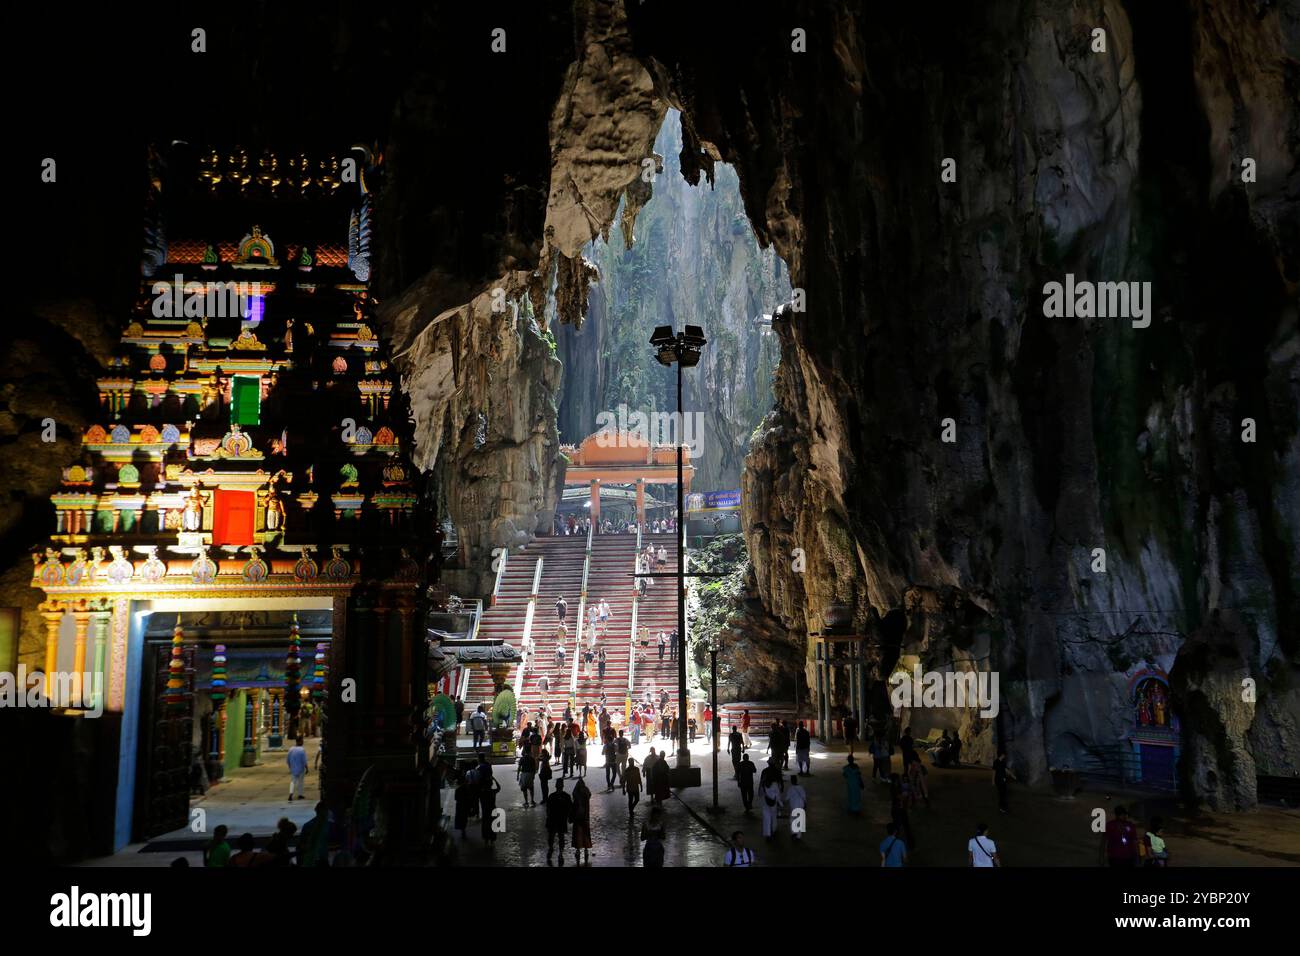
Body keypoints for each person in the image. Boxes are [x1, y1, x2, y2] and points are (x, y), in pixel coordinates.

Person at [545, 779, 574, 865]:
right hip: (562, 819)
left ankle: (551, 848)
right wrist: (570, 818)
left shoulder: (551, 796)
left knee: (551, 836)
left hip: (552, 819)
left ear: (555, 786)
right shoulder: (566, 796)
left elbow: (548, 809)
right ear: (563, 786)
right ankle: (560, 852)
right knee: (561, 836)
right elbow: (570, 808)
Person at [298, 802, 332, 867]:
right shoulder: (328, 826)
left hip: (314, 858)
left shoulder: (308, 825)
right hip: (318, 858)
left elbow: (301, 845)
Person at [570, 777, 593, 864]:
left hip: (577, 818)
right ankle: (586, 849)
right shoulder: (586, 793)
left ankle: (578, 850)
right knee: (586, 833)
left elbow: (573, 801)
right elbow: (589, 794)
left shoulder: (576, 793)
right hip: (585, 817)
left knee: (577, 834)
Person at [761, 775, 784, 841]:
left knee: (766, 819)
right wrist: (780, 804)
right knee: (773, 817)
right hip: (773, 803)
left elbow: (760, 793)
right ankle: (773, 829)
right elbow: (778, 795)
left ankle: (767, 834)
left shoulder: (763, 784)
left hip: (765, 803)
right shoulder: (775, 784)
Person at [454, 773, 476, 838]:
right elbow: (470, 797)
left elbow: (456, 798)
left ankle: (462, 830)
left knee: (460, 818)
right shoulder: (467, 789)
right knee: (464, 818)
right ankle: (463, 829)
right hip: (466, 805)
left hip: (460, 805)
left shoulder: (458, 789)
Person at [287, 735, 308, 801]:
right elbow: (304, 761)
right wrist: (307, 768)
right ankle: (300, 794)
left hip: (293, 768)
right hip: (301, 769)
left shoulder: (291, 749)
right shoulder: (302, 750)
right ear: (299, 742)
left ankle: (291, 793)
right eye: (302, 741)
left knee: (293, 781)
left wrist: (290, 766)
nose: (303, 742)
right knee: (300, 782)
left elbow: (287, 759)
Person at [786, 775, 808, 839]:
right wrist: (805, 804)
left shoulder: (790, 788)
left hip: (794, 806)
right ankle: (799, 835)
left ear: (791, 781)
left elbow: (787, 798)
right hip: (801, 806)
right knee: (800, 820)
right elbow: (804, 797)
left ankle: (794, 833)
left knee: (792, 820)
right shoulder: (801, 787)